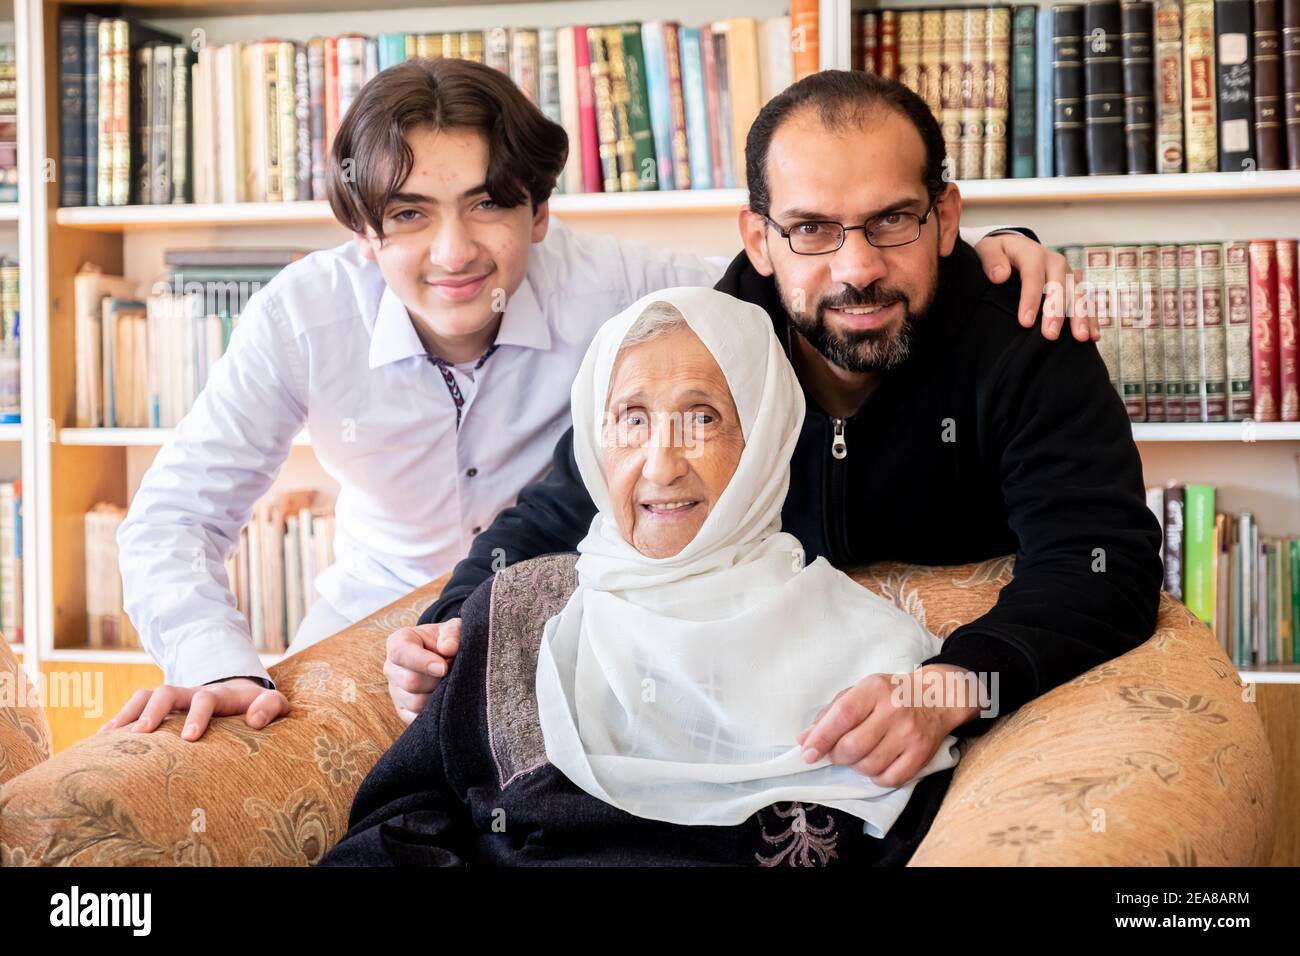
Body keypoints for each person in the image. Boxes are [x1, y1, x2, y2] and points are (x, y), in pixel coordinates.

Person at [105, 58, 1070, 741]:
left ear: (540, 208)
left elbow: (810, 272)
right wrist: (218, 662)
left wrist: (989, 256)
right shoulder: (298, 318)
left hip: (593, 623)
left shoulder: (632, 289)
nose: (453, 252)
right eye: (407, 215)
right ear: (363, 231)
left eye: (487, 203)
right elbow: (176, 517)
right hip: (378, 630)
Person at [394, 70, 1164, 764]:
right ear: (759, 239)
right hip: (738, 708)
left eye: (893, 220)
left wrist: (952, 687)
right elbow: (561, 507)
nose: (857, 269)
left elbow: (1100, 560)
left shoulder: (1028, 341)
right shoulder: (709, 341)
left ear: (946, 215)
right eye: (812, 230)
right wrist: (452, 624)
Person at [321, 288, 972, 867]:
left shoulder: (879, 669)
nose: (660, 466)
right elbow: (400, 823)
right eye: (632, 418)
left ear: (767, 437)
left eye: (702, 418)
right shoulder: (516, 615)